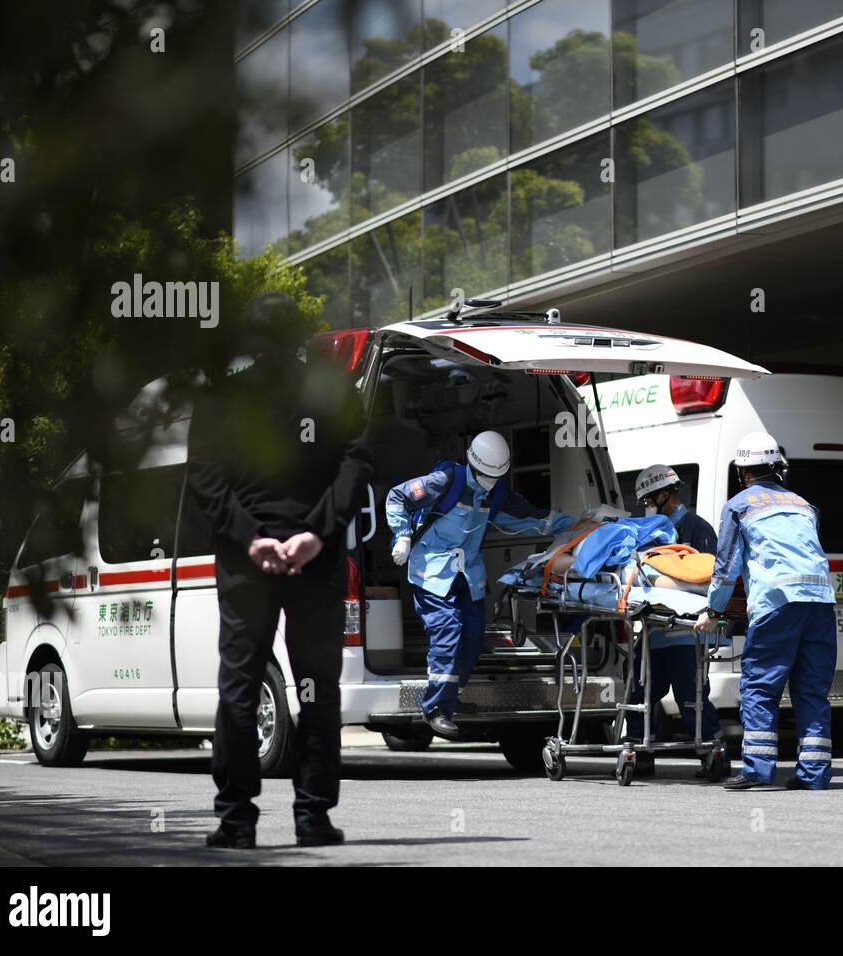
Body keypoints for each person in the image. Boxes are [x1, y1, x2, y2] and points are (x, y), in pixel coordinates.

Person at [189, 292, 373, 849]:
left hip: (246, 567)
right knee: (317, 689)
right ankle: (313, 817)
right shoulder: (334, 392)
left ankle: (237, 821)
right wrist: (315, 534)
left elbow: (204, 477)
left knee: (240, 687)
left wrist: (253, 539)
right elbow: (357, 462)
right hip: (315, 564)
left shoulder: (223, 398)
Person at [385, 432, 575, 740]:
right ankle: (436, 708)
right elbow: (398, 496)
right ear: (474, 465)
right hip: (431, 571)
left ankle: (452, 694)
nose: (490, 482)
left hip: (468, 575)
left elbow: (534, 518)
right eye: (486, 476)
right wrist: (402, 535)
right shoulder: (446, 480)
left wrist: (581, 523)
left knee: (473, 635)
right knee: (447, 631)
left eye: (496, 477)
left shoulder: (497, 494)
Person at [695, 432, 837, 791]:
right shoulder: (806, 505)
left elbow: (727, 568)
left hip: (777, 603)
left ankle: (758, 770)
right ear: (778, 469)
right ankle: (814, 774)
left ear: (743, 472)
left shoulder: (739, 505)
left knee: (760, 684)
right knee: (812, 690)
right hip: (820, 603)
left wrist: (713, 610)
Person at [626, 465, 722, 778]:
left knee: (691, 697)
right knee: (638, 696)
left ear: (665, 494)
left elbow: (708, 579)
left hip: (684, 634)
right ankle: (639, 757)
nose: (647, 507)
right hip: (654, 631)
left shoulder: (698, 529)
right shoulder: (651, 531)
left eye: (650, 500)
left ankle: (713, 756)